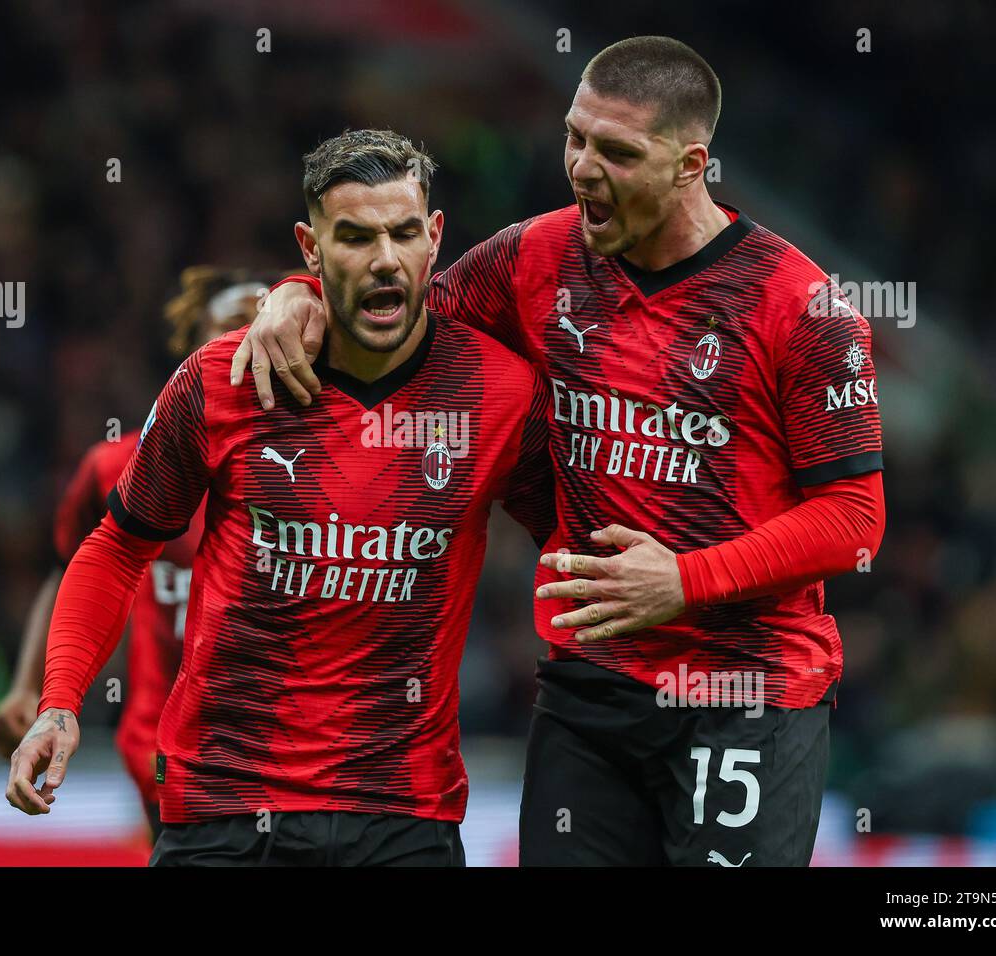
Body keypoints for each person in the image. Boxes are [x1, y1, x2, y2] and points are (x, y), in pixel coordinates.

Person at [231, 37, 886, 866]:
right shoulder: (533, 257)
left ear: (692, 165)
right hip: (592, 684)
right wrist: (293, 294)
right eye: (575, 137)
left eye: (617, 152)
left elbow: (856, 521)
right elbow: (395, 316)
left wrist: (685, 581)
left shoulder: (802, 308)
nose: (582, 167)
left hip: (744, 690)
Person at [5, 129, 554, 866]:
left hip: (404, 815)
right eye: (355, 237)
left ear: (435, 237)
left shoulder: (499, 391)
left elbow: (578, 533)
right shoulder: (221, 380)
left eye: (401, 233)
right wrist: (61, 702)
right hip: (223, 810)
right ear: (310, 247)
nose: (384, 260)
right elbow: (115, 547)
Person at [0, 265, 271, 838]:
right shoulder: (118, 469)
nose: (253, 342)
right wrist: (31, 689)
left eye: (265, 326)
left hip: (288, 753)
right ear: (193, 348)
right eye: (232, 328)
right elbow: (72, 572)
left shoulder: (327, 464)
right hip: (165, 752)